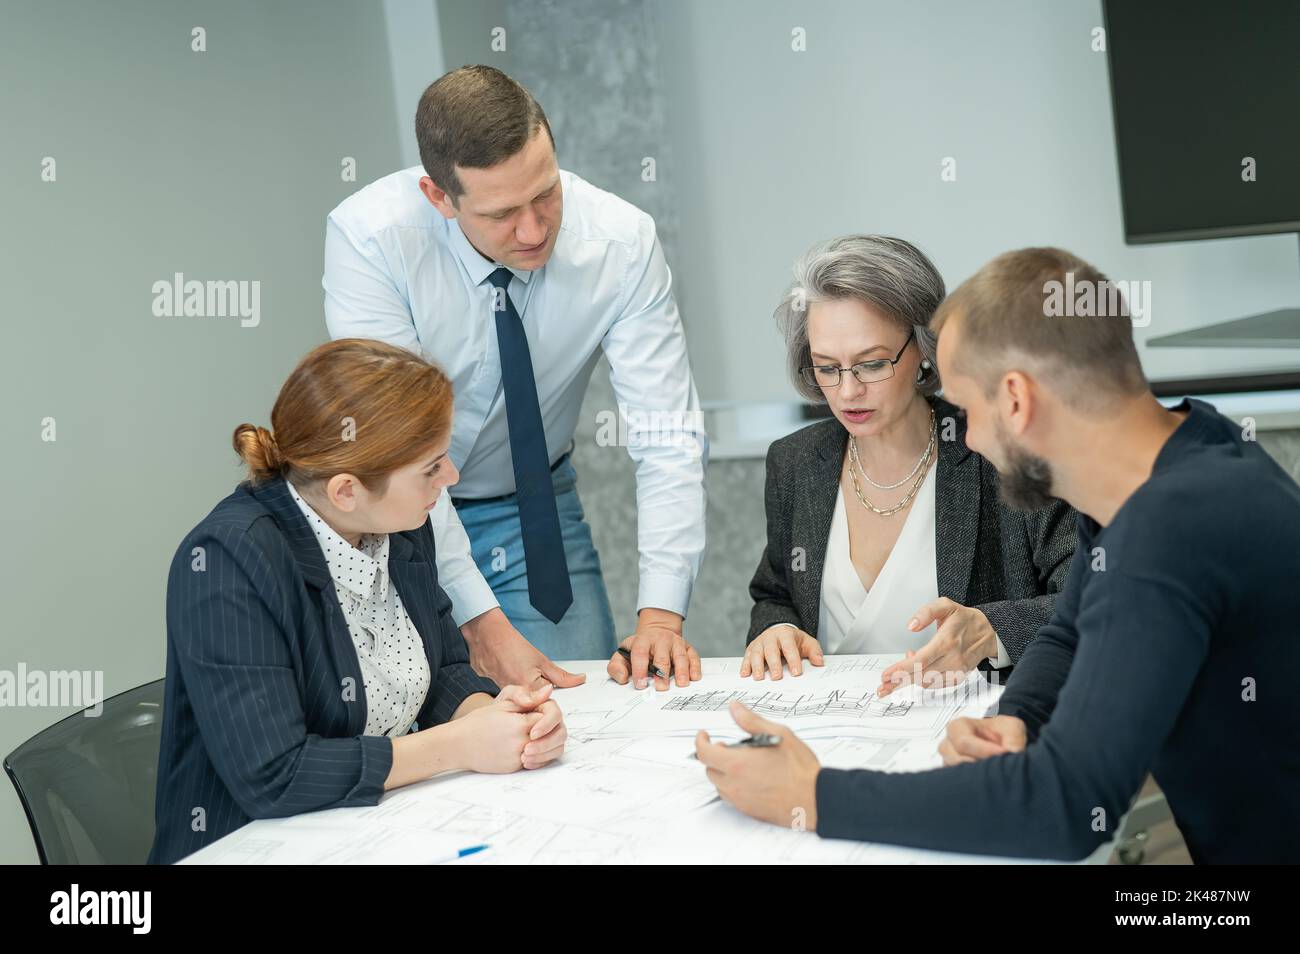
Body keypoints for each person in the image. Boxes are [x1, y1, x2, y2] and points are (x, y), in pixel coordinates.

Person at [697, 247, 1300, 863]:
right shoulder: (1184, 451)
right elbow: (1068, 632)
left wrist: (814, 795)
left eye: (968, 408)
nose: (970, 436)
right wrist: (1016, 716)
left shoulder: (1165, 535)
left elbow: (1063, 808)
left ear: (1015, 399)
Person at [324, 65, 705, 691]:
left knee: (576, 720)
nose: (534, 231)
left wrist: (661, 614)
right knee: (414, 719)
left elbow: (666, 436)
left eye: (546, 194)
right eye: (502, 213)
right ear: (438, 197)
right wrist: (481, 623)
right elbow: (397, 442)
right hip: (390, 515)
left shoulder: (622, 244)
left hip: (533, 514)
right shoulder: (372, 240)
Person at [150, 339, 567, 865]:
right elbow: (275, 775)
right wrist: (460, 745)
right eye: (432, 468)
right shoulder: (229, 561)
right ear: (346, 490)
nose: (452, 479)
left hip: (371, 832)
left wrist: (504, 721)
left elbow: (441, 669)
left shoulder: (399, 522)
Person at [748, 235, 1076, 693]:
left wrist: (991, 629)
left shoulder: (1002, 450)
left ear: (924, 347)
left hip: (967, 732)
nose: (847, 392)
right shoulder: (796, 462)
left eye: (872, 363)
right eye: (826, 367)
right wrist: (774, 630)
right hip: (828, 729)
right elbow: (776, 594)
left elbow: (1094, 598)